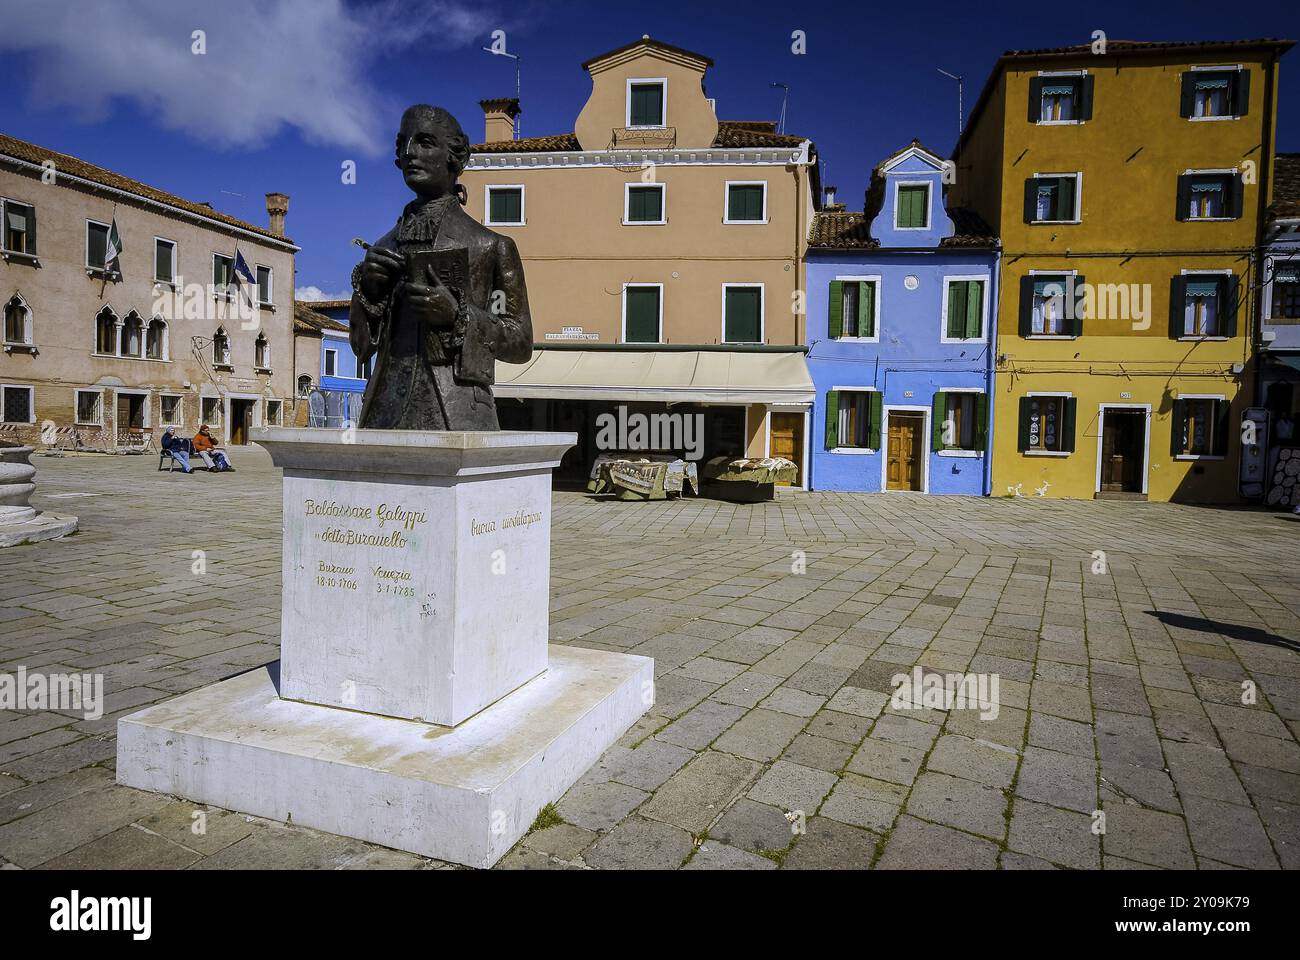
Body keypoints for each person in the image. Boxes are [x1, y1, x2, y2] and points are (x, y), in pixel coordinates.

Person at [349, 103, 532, 430]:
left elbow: (521, 343)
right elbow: (361, 348)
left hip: (458, 412)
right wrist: (369, 294)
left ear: (454, 157)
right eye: (403, 143)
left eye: (424, 142)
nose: (409, 153)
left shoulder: (490, 245)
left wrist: (459, 317)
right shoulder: (382, 248)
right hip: (383, 414)